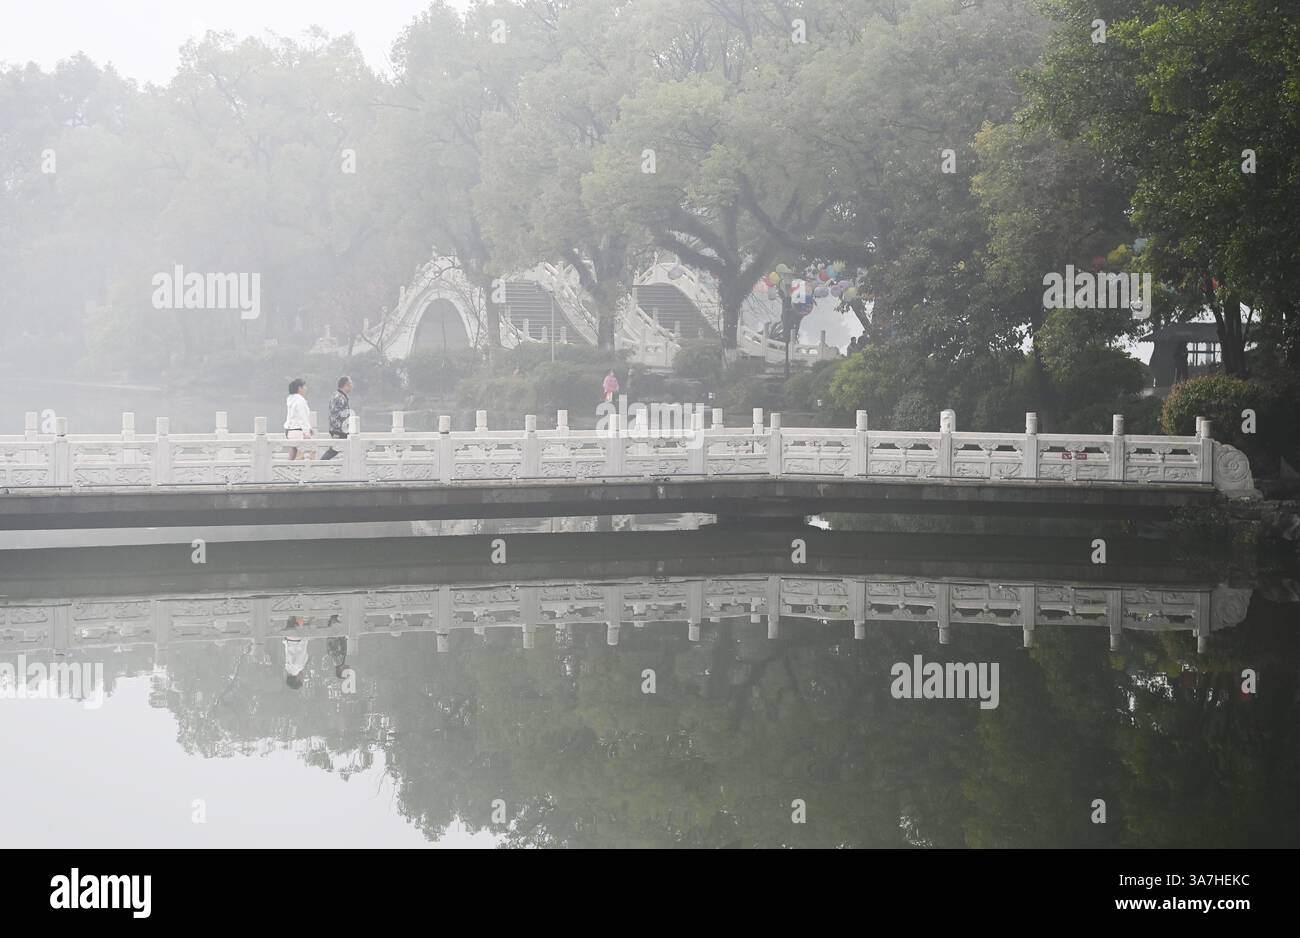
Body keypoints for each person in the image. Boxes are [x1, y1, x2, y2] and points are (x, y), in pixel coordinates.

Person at [322, 376, 353, 460]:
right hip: (338, 430)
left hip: (339, 429)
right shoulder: (339, 397)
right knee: (334, 450)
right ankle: (319, 465)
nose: (352, 386)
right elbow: (335, 415)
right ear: (346, 385)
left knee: (344, 449)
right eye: (351, 383)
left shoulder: (338, 395)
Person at [284, 378, 313, 459]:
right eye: (304, 386)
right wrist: (307, 432)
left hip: (290, 431)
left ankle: (288, 470)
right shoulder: (300, 400)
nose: (306, 388)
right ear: (299, 388)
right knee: (309, 453)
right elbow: (302, 417)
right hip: (298, 431)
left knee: (292, 456)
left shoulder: (290, 399)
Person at [284, 617, 309, 690]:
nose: (303, 677)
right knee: (292, 614)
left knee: (303, 615)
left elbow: (302, 649)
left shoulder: (298, 667)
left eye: (302, 680)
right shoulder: (288, 668)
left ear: (297, 679)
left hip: (297, 637)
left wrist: (306, 637)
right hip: (288, 637)